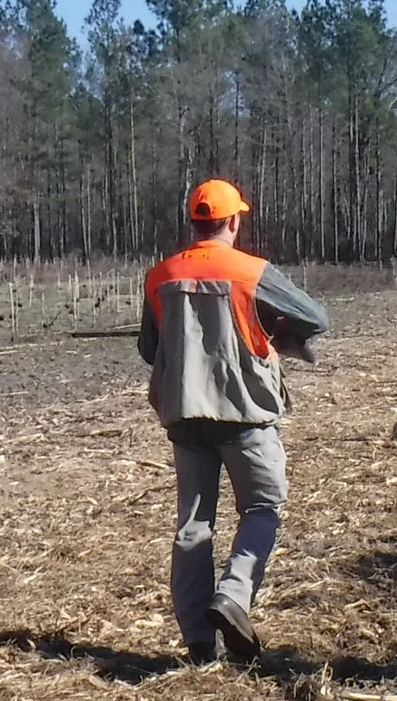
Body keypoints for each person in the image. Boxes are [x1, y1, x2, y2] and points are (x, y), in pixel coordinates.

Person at [139, 180, 331, 664]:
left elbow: (149, 348)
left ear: (195, 222)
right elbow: (316, 318)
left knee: (192, 526)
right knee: (264, 507)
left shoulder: (159, 274)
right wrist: (273, 330)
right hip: (244, 414)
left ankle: (199, 645)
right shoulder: (252, 271)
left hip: (184, 417)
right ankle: (234, 594)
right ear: (233, 221)